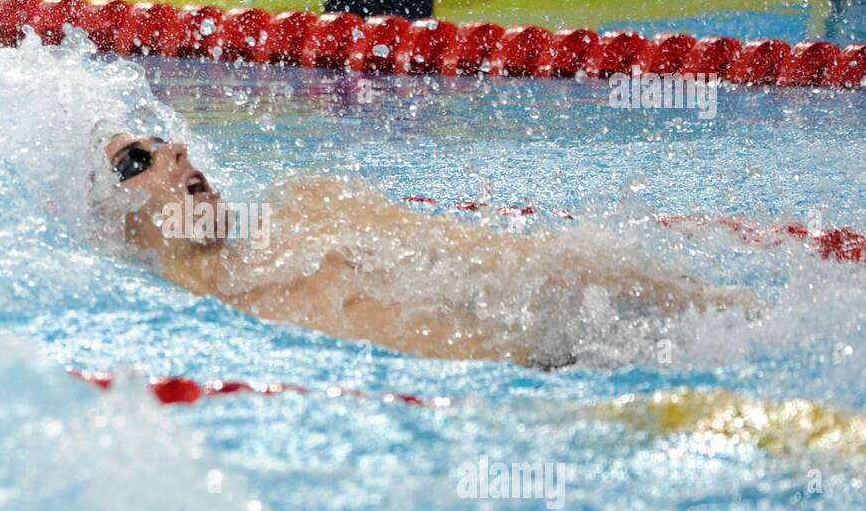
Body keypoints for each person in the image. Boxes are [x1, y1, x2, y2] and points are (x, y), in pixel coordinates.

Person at [102, 132, 744, 368]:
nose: (175, 151)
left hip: (573, 305)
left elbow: (517, 256)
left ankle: (736, 307)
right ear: (125, 222)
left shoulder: (305, 205)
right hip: (553, 368)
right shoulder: (210, 325)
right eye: (139, 160)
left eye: (165, 141)